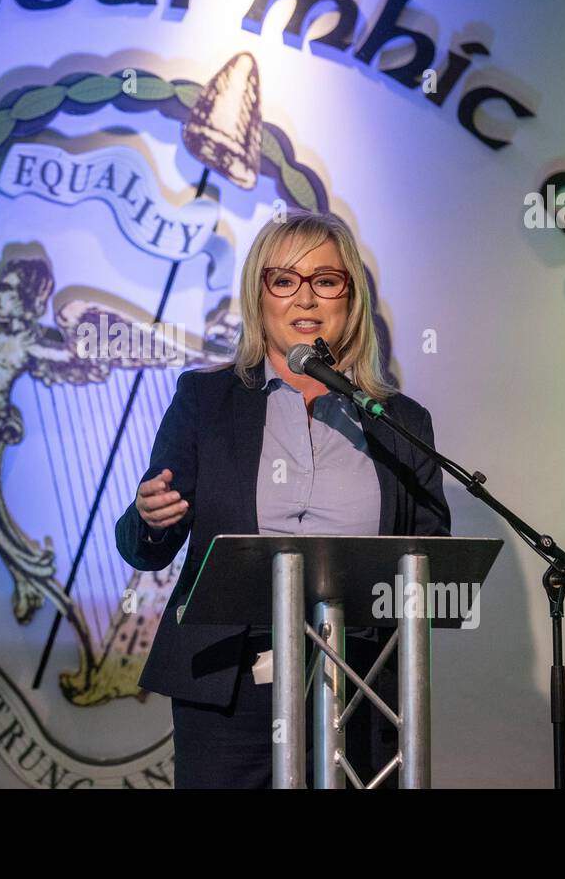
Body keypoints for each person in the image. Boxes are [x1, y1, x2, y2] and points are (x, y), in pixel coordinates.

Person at [114, 210, 452, 788]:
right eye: (284, 280)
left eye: (326, 280)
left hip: (362, 691)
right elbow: (145, 547)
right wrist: (151, 518)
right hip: (229, 689)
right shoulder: (205, 400)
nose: (306, 299)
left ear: (350, 298)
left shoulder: (400, 421)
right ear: (259, 295)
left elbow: (434, 559)